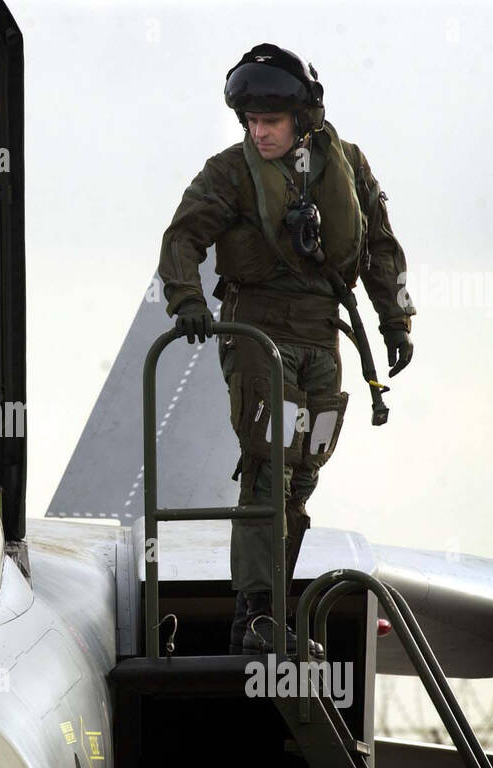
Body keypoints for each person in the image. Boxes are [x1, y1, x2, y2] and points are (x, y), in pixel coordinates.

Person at [156, 43, 415, 658]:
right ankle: (254, 616)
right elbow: (183, 238)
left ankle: (269, 612)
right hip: (258, 330)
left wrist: (394, 319)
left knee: (303, 473)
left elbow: (379, 244)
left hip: (323, 335)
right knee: (269, 467)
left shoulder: (348, 166)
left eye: (270, 121)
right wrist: (187, 300)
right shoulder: (228, 173)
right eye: (251, 121)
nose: (259, 132)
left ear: (302, 121)